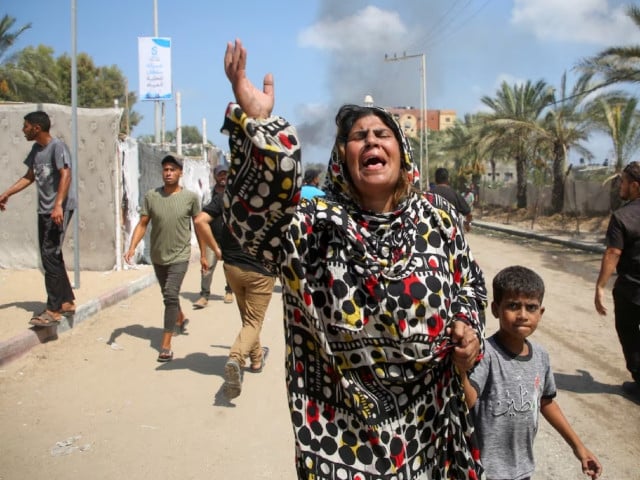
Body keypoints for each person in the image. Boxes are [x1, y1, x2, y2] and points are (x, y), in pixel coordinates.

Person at [221, 39, 486, 479]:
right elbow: (256, 223)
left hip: (430, 427)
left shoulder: (438, 219)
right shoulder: (313, 222)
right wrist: (261, 124)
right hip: (344, 437)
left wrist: (468, 327)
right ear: (341, 157)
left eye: (382, 134)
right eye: (358, 136)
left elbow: (470, 285)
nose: (370, 141)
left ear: (402, 154)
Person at [461, 265, 602, 480]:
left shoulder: (541, 356)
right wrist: (461, 370)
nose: (522, 315)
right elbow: (468, 401)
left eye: (531, 307)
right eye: (513, 306)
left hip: (522, 469)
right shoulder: (486, 353)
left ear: (541, 312)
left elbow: (546, 402)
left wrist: (579, 448)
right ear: (495, 309)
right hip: (484, 471)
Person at [194, 189, 275, 399]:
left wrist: (217, 249)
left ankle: (256, 359)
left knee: (247, 318)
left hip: (232, 268)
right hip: (261, 271)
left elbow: (200, 221)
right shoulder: (270, 196)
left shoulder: (226, 197)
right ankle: (236, 358)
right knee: (253, 321)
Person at [0, 111, 77, 327]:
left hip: (58, 209)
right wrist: (6, 193)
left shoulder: (57, 147)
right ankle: (67, 301)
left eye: (25, 126)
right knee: (52, 254)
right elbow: (29, 177)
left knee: (49, 255)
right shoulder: (36, 150)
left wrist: (58, 205)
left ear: (36, 128)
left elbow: (66, 174)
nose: (23, 130)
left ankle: (53, 309)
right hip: (45, 210)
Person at [124, 155, 203, 362]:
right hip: (158, 255)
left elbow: (199, 226)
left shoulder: (191, 198)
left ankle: (166, 344)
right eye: (165, 169)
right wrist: (132, 246)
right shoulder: (152, 196)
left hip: (180, 255)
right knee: (168, 293)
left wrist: (204, 254)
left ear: (180, 173)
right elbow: (142, 224)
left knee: (169, 294)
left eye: (172, 170)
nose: (168, 173)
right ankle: (181, 317)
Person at [595, 161, 640, 400]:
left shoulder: (622, 216)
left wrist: (600, 286)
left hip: (632, 289)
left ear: (634, 186)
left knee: (629, 332)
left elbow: (613, 252)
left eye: (622, 182)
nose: (620, 186)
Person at [193, 164, 234, 308]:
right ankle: (204, 295)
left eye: (225, 174)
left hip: (230, 238)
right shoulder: (208, 195)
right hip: (212, 238)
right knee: (207, 267)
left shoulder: (233, 193)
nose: (223, 177)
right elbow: (199, 218)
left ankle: (229, 291)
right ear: (215, 176)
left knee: (230, 267)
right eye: (220, 174)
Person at [430, 167, 472, 231]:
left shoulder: (428, 195)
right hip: (451, 234)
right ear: (447, 179)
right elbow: (468, 213)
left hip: (432, 233)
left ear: (435, 179)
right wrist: (467, 224)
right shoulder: (454, 194)